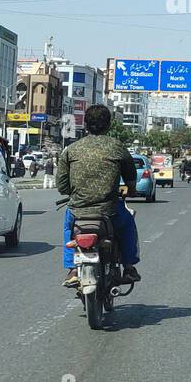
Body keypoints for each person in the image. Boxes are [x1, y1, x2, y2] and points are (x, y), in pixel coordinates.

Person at [57, 104, 142, 287]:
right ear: (109, 125)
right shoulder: (117, 147)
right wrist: (132, 190)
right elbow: (130, 176)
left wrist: (73, 192)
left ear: (86, 125)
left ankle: (72, 268)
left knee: (68, 227)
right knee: (127, 224)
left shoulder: (71, 150)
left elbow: (62, 186)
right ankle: (128, 266)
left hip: (78, 210)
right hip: (109, 210)